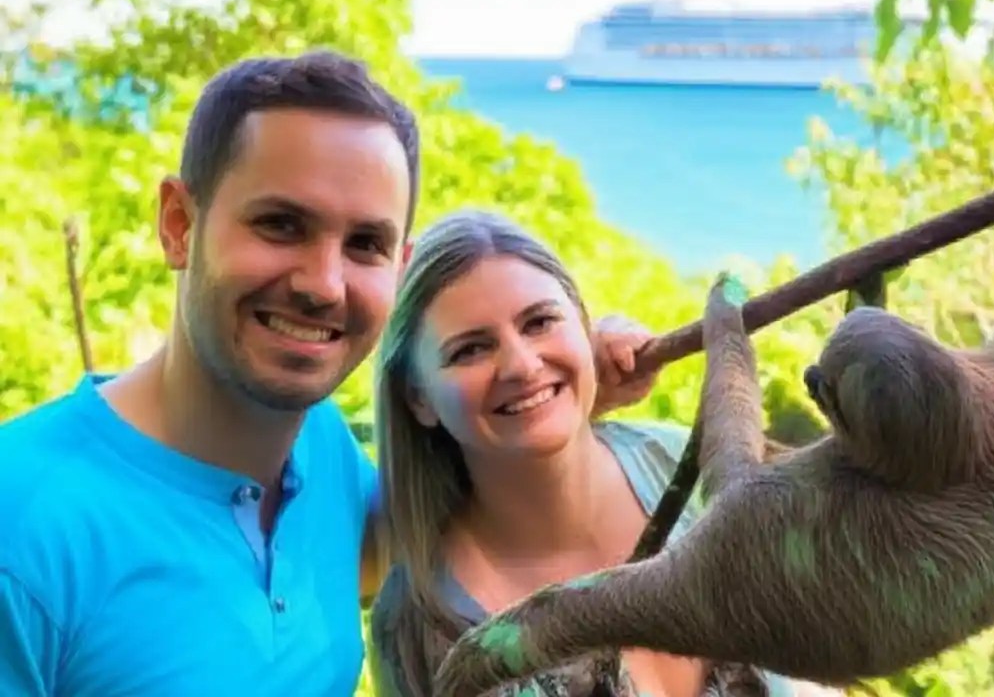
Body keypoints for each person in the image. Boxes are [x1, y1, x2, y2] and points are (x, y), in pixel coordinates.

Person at [0, 50, 658, 697]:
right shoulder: (26, 526)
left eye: (364, 245)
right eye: (281, 225)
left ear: (397, 272)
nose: (323, 285)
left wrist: (561, 383)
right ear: (178, 224)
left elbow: (452, 507)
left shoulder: (321, 455)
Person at [366, 209, 844, 697]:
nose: (522, 365)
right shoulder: (419, 625)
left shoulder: (691, 464)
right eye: (469, 350)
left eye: (540, 321)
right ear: (418, 398)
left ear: (584, 327)